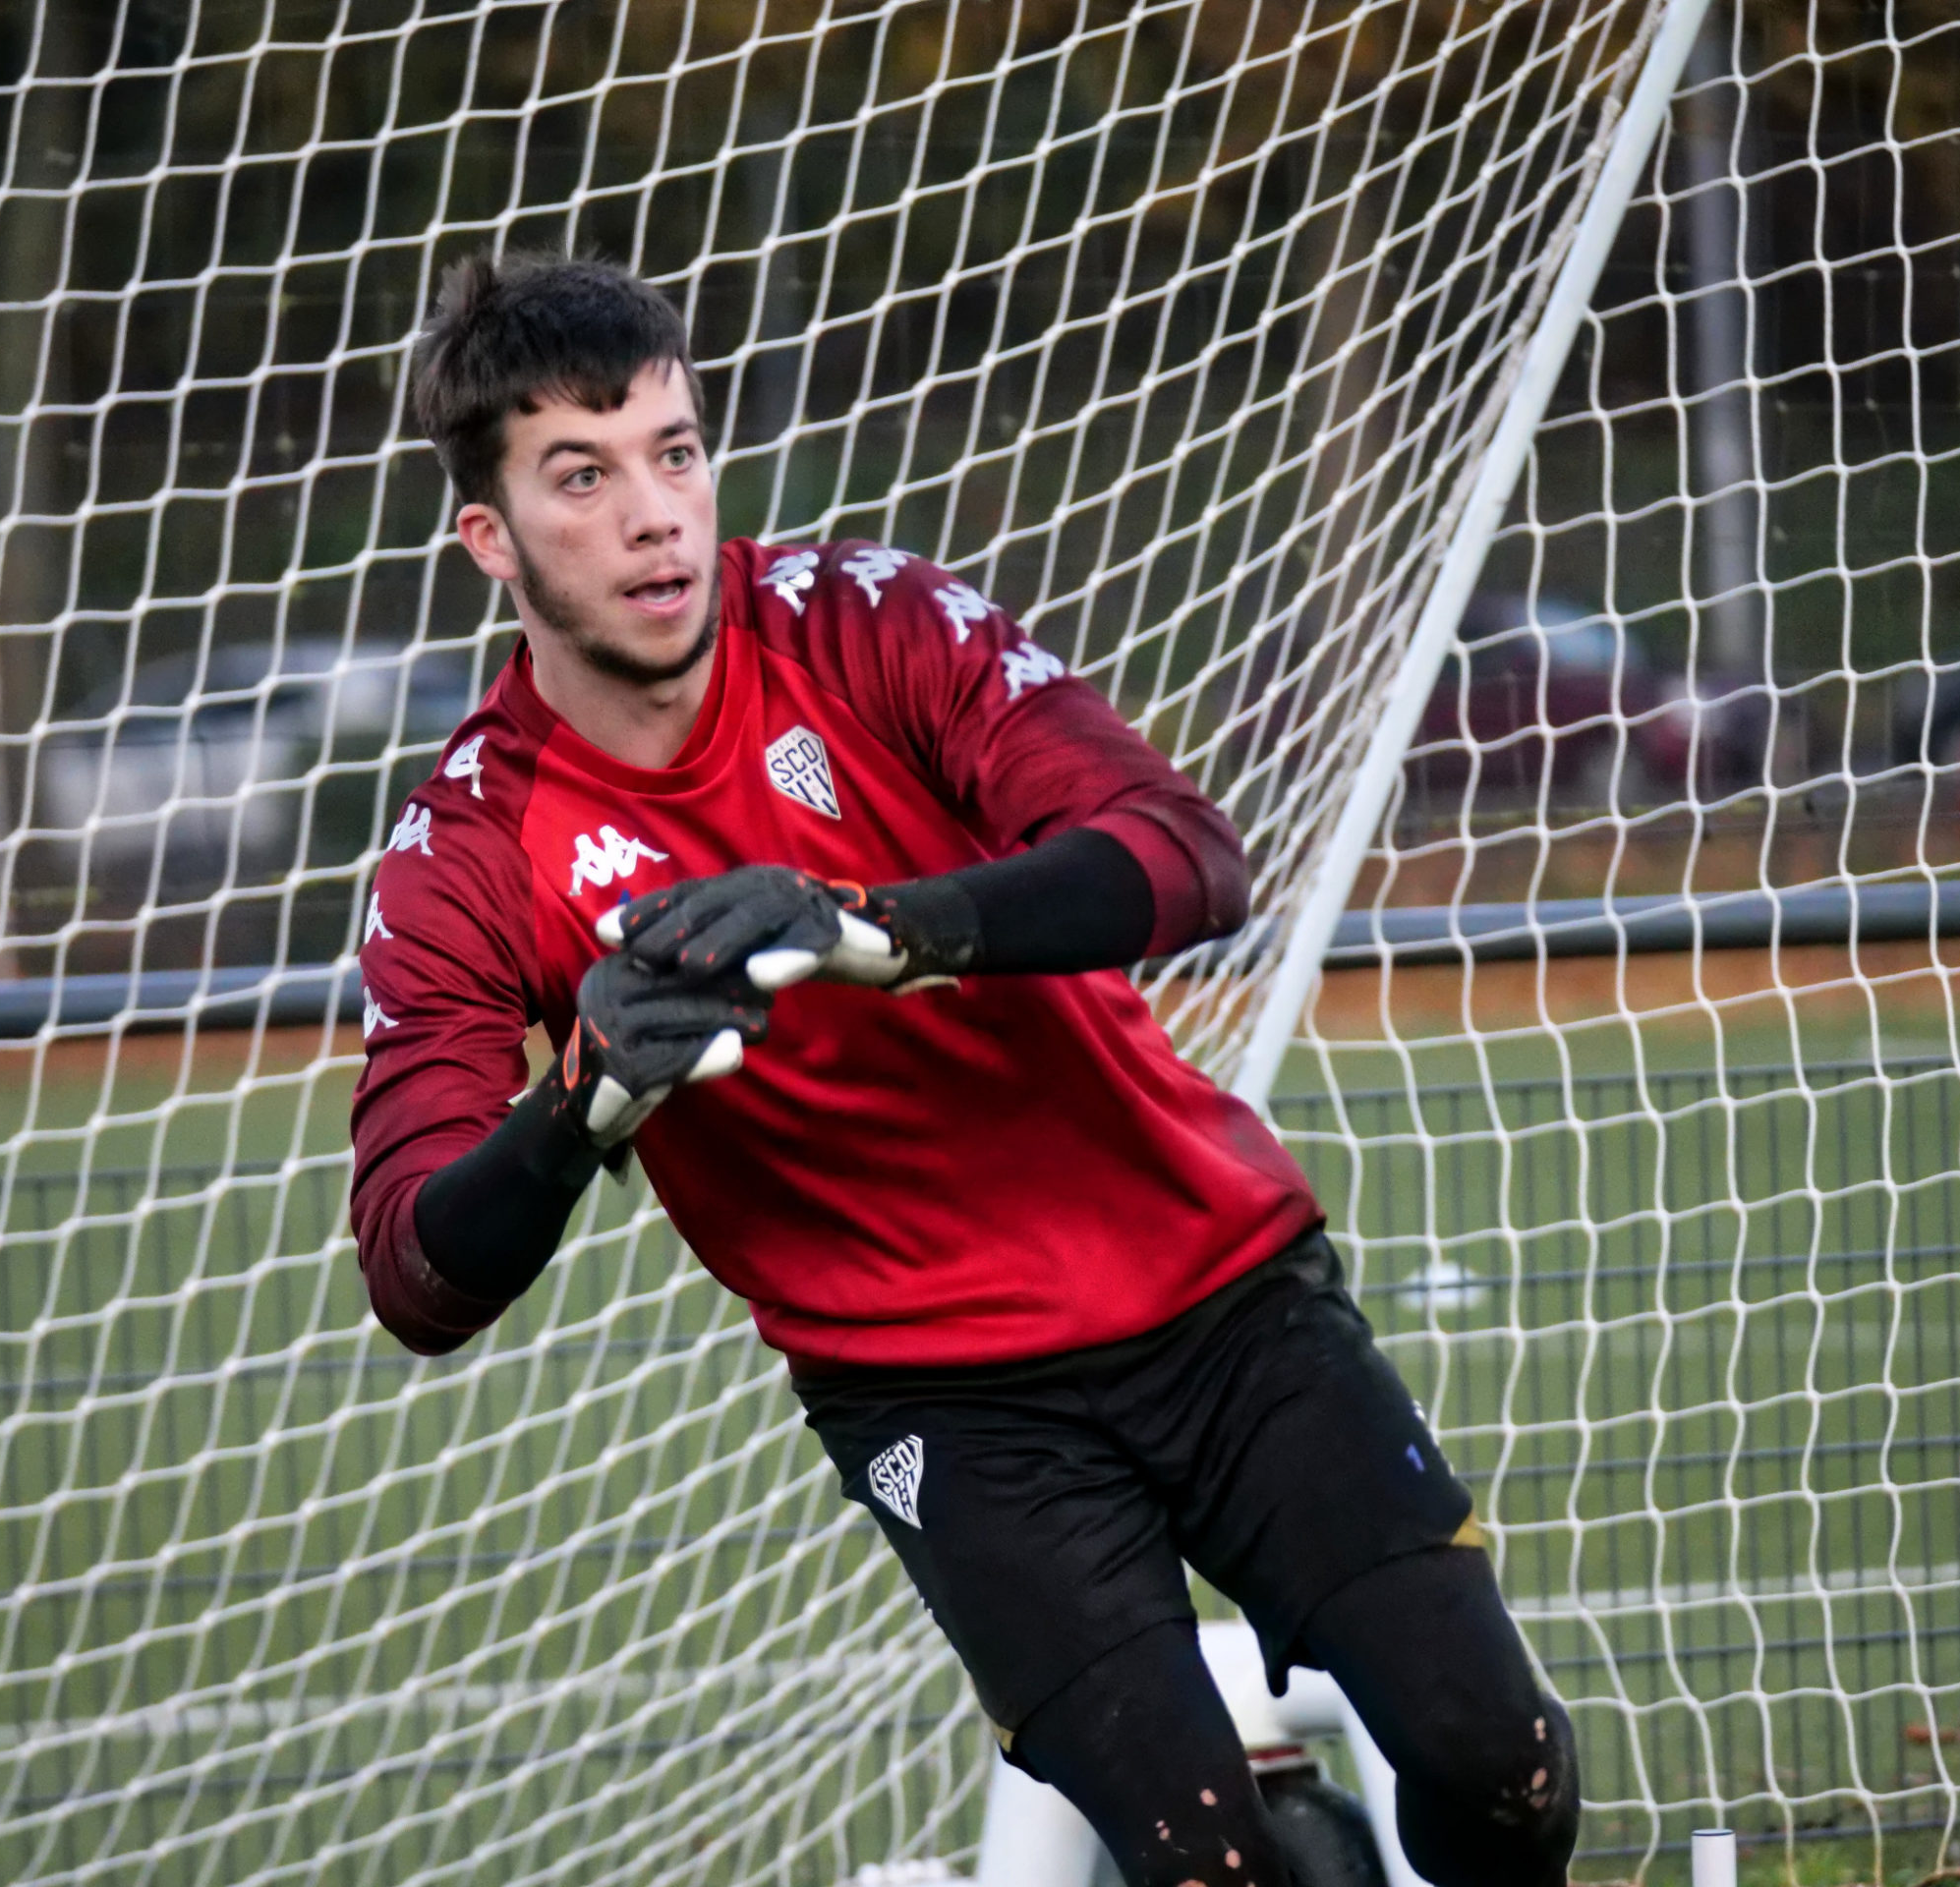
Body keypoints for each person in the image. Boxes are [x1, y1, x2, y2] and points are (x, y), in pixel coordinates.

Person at [347, 251, 1579, 1887]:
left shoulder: (867, 621)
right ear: (490, 538)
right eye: (584, 474)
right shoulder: (467, 849)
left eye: (676, 450)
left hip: (1215, 1287)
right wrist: (584, 1105)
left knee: (1503, 1762)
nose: (654, 514)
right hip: (940, 1400)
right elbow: (417, 1269)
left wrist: (869, 928)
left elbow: (1190, 856)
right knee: (1211, 1869)